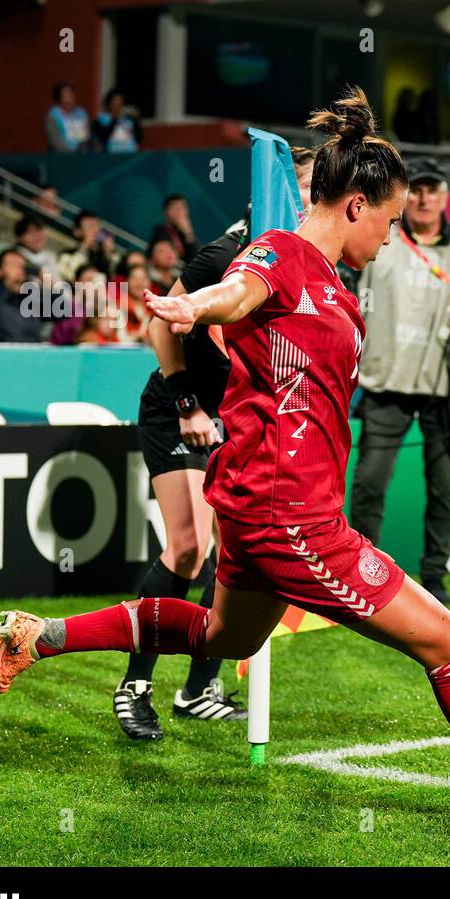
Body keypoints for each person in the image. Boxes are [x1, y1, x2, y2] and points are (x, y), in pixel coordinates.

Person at [0, 86, 450, 828]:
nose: (391, 237)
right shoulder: (286, 253)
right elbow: (240, 290)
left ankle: (43, 636)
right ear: (356, 205)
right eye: (389, 222)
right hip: (293, 518)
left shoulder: (335, 288)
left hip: (268, 508)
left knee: (220, 636)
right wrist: (195, 308)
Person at [110, 146, 315, 741]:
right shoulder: (224, 256)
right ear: (274, 198)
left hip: (236, 422)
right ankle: (134, 687)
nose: (313, 205)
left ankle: (198, 688)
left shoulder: (300, 266)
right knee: (186, 548)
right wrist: (188, 404)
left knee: (234, 558)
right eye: (304, 193)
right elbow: (161, 323)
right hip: (180, 412)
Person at [350, 156, 450, 607]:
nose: (426, 198)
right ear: (405, 196)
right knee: (370, 482)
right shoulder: (378, 234)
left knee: (445, 485)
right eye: (418, 189)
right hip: (384, 380)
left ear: (445, 196)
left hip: (445, 386)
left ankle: (435, 576)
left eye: (434, 189)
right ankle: (364, 574)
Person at [0, 248, 41, 342]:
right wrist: (7, 287)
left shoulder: (29, 295)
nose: (19, 271)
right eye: (13, 265)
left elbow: (61, 312)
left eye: (21, 267)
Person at [92, 89, 143, 153]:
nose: (118, 106)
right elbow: (102, 138)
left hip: (130, 154)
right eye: (115, 103)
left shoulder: (129, 119)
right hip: (112, 156)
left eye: (120, 103)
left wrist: (136, 121)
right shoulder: (101, 119)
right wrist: (115, 119)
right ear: (109, 104)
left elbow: (139, 138)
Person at [150, 195, 199, 261]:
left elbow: (198, 258)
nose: (179, 213)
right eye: (175, 208)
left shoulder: (186, 233)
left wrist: (188, 232)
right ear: (166, 212)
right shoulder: (160, 231)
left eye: (182, 208)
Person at [46, 82, 91, 153]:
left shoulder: (81, 113)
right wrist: (69, 153)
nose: (69, 100)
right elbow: (54, 140)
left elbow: (85, 137)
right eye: (65, 97)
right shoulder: (53, 115)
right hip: (60, 155)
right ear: (59, 99)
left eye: (71, 96)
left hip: (80, 155)